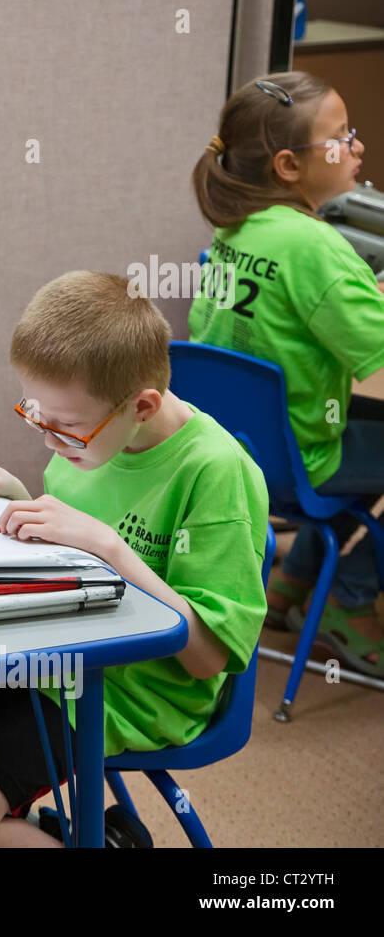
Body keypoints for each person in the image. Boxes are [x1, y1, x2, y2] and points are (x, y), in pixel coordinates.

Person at [0, 271, 268, 846]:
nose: (50, 443)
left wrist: (109, 549)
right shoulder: (94, 439)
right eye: (36, 416)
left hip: (128, 689)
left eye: (65, 428)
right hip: (46, 642)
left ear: (141, 406)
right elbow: (75, 542)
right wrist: (16, 496)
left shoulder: (216, 473)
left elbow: (208, 657)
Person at [188, 71, 384, 677]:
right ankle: (347, 600)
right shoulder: (318, 249)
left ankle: (293, 583)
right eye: (340, 137)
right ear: (288, 166)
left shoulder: (233, 230)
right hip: (304, 460)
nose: (356, 147)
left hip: (240, 457)